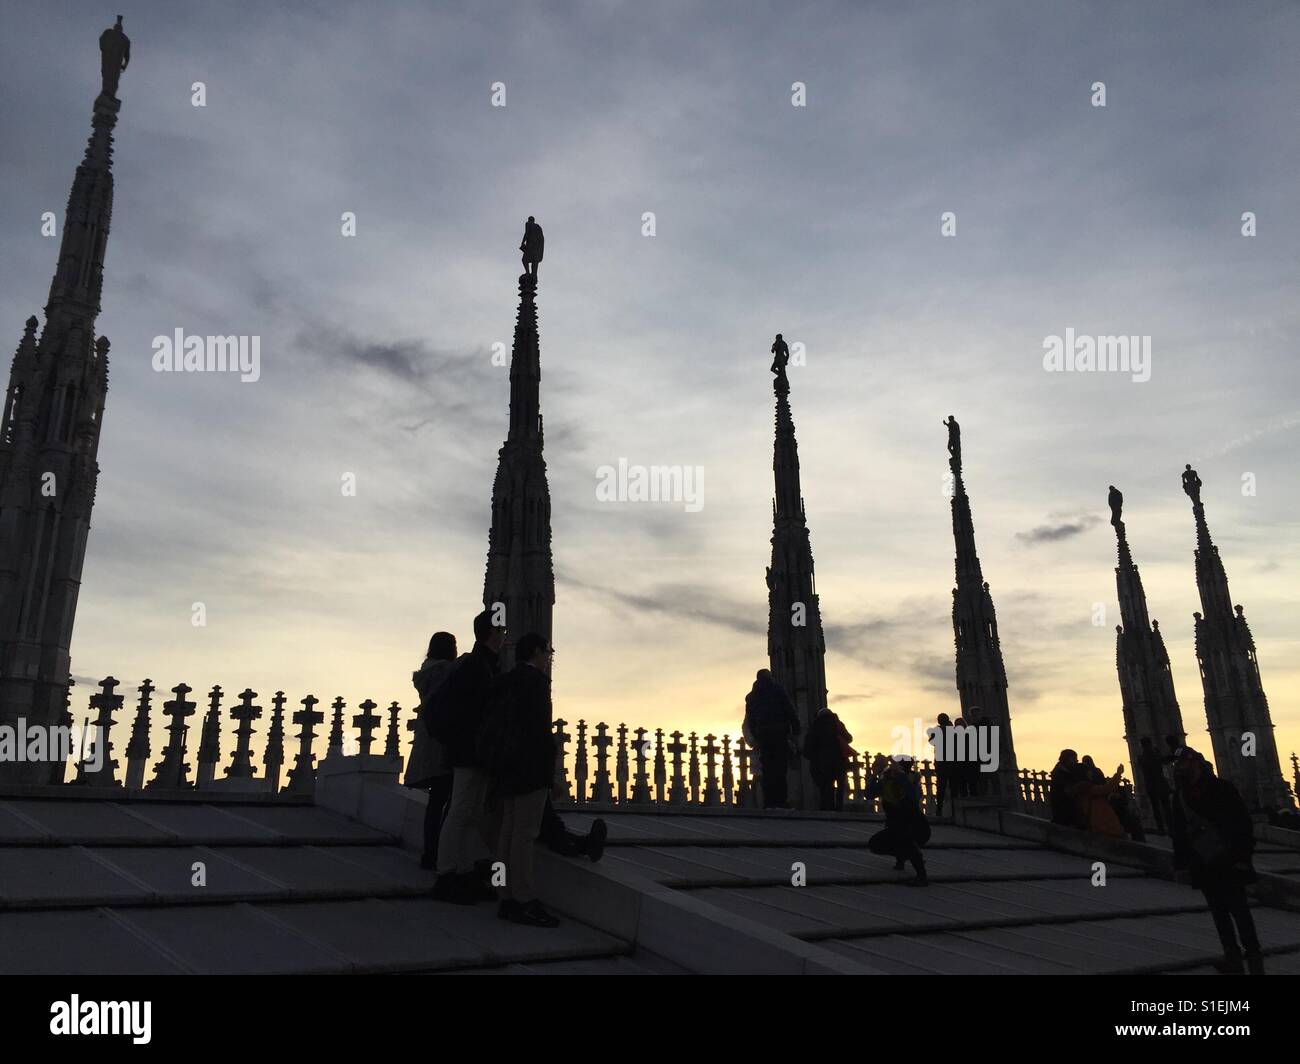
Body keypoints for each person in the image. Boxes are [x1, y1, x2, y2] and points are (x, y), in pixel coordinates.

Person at [483, 632, 561, 928]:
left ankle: (503, 891)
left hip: (506, 768)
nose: (548, 659)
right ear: (537, 653)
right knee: (524, 835)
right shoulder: (536, 683)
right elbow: (539, 732)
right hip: (529, 769)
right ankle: (524, 899)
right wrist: (551, 774)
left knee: (507, 833)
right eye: (546, 653)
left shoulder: (504, 680)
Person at [1169, 748, 1264, 975]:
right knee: (1219, 914)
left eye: (1184, 764)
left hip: (1229, 862)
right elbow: (1179, 834)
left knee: (1240, 913)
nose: (1180, 768)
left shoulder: (1223, 789)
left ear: (1197, 764)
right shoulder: (1180, 797)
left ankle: (1254, 960)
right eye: (1178, 765)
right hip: (1203, 865)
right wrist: (1181, 865)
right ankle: (1232, 957)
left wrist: (1242, 857)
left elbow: (1242, 825)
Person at [433, 610, 504, 904]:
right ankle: (446, 874)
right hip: (468, 752)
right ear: (492, 632)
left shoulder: (485, 664)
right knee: (461, 810)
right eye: (501, 630)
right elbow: (470, 712)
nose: (504, 636)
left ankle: (462, 872)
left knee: (471, 812)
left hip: (476, 753)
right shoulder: (474, 666)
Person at [405, 631, 458, 869]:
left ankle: (430, 853)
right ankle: (440, 852)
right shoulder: (446, 672)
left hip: (427, 742)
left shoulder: (426, 673)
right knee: (450, 802)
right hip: (444, 743)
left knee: (435, 803)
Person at [866, 755, 929, 885]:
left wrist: (900, 777)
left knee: (904, 837)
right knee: (877, 843)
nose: (891, 767)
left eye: (895, 765)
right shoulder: (887, 780)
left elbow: (913, 797)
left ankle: (921, 874)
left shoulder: (911, 780)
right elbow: (870, 795)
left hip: (916, 827)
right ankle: (902, 858)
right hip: (896, 825)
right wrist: (875, 775)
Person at [743, 669, 800, 809]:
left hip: (763, 736)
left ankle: (769, 802)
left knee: (767, 769)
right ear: (770, 677)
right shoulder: (778, 689)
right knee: (780, 768)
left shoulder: (752, 696)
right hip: (779, 733)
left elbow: (750, 719)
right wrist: (796, 727)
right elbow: (789, 709)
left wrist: (756, 736)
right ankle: (781, 801)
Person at [804, 707, 852, 811]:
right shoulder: (838, 724)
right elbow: (849, 738)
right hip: (840, 761)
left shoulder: (816, 726)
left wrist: (812, 757)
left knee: (826, 785)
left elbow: (809, 746)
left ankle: (827, 808)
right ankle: (839, 808)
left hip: (823, 762)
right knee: (840, 785)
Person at [1138, 736, 1174, 834]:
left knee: (1156, 808)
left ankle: (1161, 828)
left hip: (1151, 786)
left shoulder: (1141, 757)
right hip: (1161, 784)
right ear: (1150, 743)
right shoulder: (1156, 754)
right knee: (1166, 807)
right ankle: (1171, 828)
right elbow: (1164, 762)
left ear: (1141, 745)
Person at [1050, 749, 1087, 828]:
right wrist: (1079, 786)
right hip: (1064, 813)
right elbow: (1066, 793)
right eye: (1074, 759)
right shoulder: (1060, 773)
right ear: (1068, 759)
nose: (1076, 762)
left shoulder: (1066, 771)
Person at [929, 713, 955, 816]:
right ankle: (951, 809)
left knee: (942, 786)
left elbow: (931, 741)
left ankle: (939, 809)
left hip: (943, 761)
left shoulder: (940, 730)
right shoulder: (952, 729)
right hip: (949, 761)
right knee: (950, 785)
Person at [99, 16, 130, 97]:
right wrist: (104, 48)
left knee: (113, 77)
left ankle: (110, 93)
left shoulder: (125, 39)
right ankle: (106, 91)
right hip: (108, 58)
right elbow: (101, 40)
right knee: (107, 75)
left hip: (116, 61)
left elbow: (127, 55)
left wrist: (125, 65)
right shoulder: (109, 32)